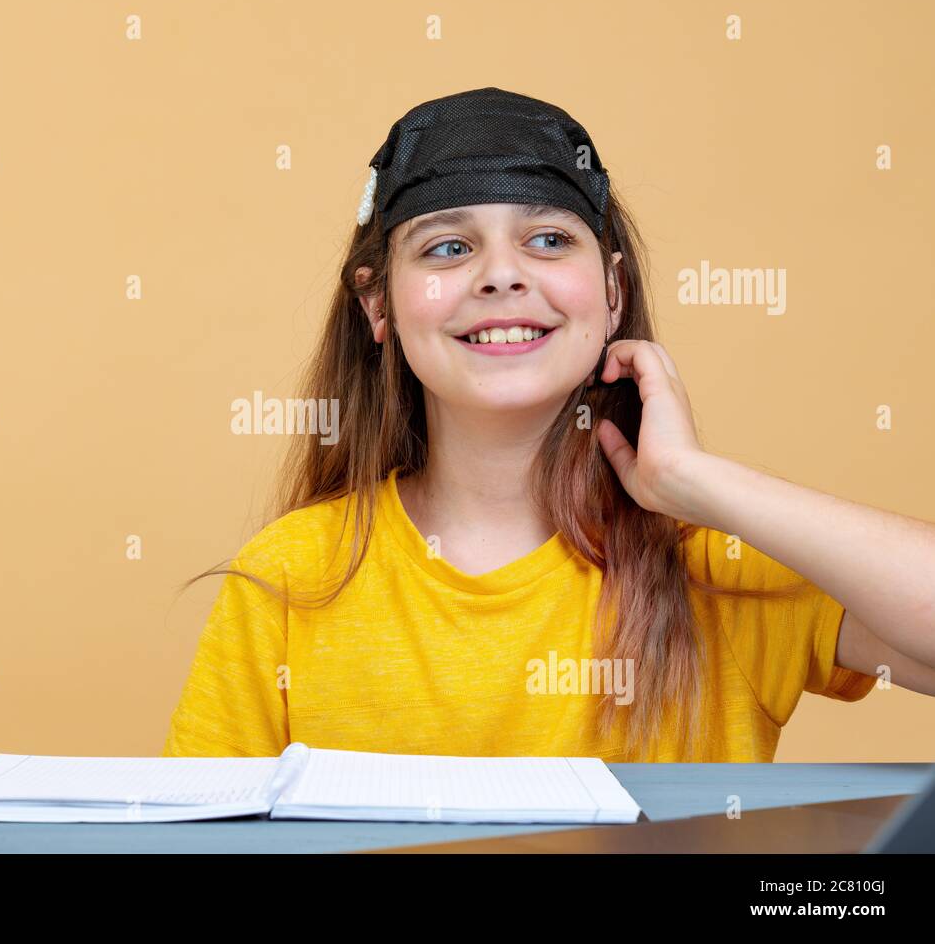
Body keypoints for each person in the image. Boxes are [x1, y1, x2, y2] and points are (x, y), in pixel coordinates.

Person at [162, 87, 935, 761]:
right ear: (378, 305)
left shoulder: (720, 559)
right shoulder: (295, 575)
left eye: (548, 238)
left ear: (612, 289)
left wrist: (698, 482)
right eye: (450, 246)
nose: (501, 273)